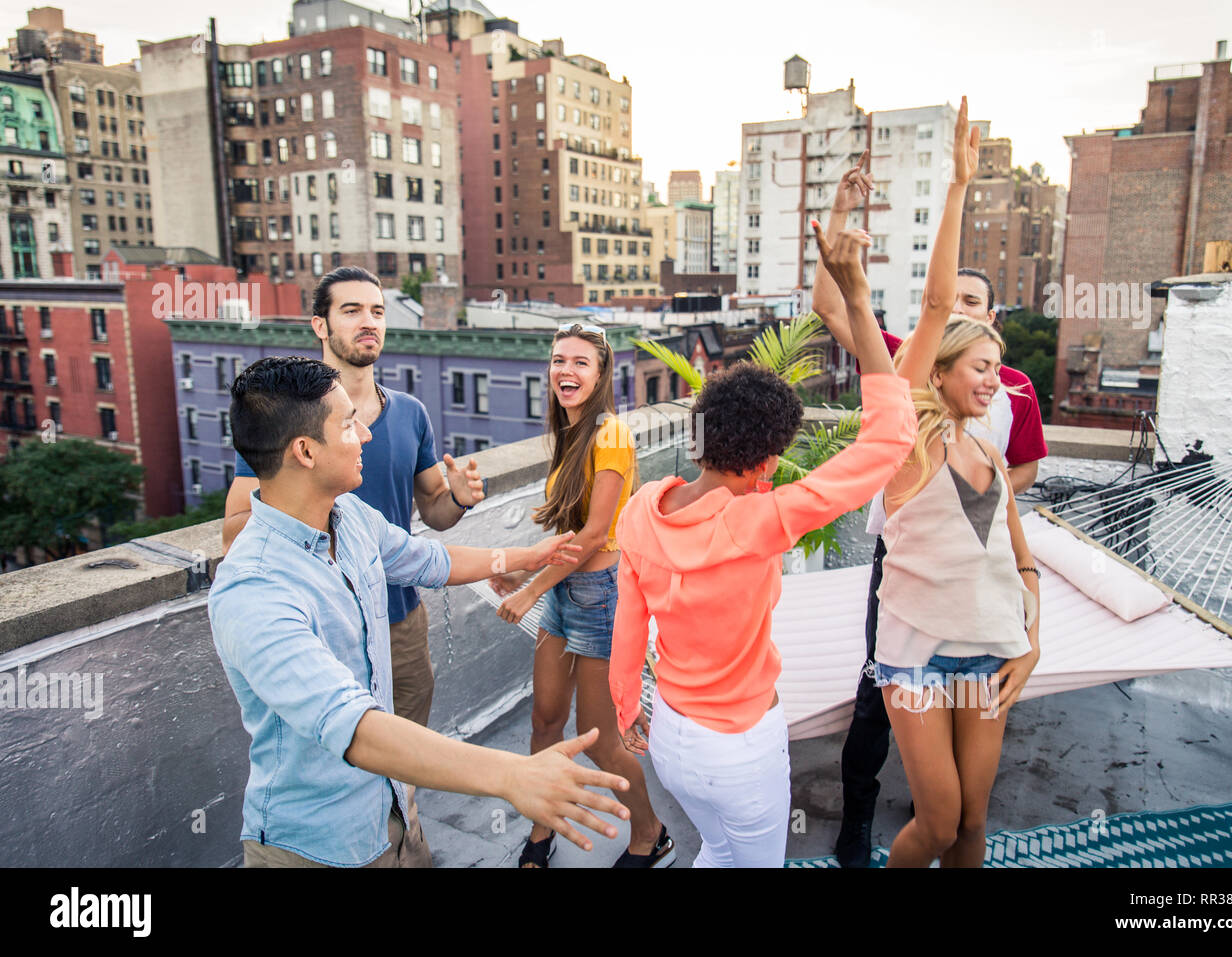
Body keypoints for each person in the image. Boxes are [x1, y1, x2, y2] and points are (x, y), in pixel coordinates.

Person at [209, 355, 632, 867]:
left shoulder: (349, 517)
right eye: (347, 423)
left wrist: (524, 557)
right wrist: (510, 776)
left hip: (390, 812)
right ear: (304, 451)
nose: (365, 434)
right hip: (317, 846)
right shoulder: (254, 587)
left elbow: (428, 559)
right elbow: (352, 725)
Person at [608, 226, 916, 868]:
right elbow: (889, 440)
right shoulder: (761, 522)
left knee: (716, 852)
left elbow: (629, 624)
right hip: (740, 751)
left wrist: (623, 704)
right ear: (769, 459)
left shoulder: (641, 510)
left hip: (667, 738)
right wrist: (859, 300)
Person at [812, 117, 1047, 868]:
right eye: (975, 361)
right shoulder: (910, 428)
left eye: (994, 362)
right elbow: (932, 303)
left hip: (990, 650)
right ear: (937, 368)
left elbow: (1018, 561)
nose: (990, 375)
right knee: (939, 821)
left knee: (972, 825)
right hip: (916, 647)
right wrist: (956, 184)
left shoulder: (989, 437)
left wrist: (1030, 642)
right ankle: (857, 824)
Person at [223, 267, 478, 810]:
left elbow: (433, 512)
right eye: (352, 311)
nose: (369, 323)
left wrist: (456, 496)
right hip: (326, 625)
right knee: (338, 754)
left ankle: (400, 835)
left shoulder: (410, 414)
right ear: (320, 324)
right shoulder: (291, 414)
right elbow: (238, 528)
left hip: (402, 619)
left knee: (404, 760)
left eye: (378, 311)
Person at [488, 323, 674, 868]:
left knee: (599, 740)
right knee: (545, 719)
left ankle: (650, 832)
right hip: (565, 591)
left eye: (579, 363)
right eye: (557, 360)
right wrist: (524, 572)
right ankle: (542, 830)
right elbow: (569, 529)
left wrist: (527, 592)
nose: (565, 371)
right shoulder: (569, 433)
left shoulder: (610, 433)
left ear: (600, 375)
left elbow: (594, 536)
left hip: (598, 596)